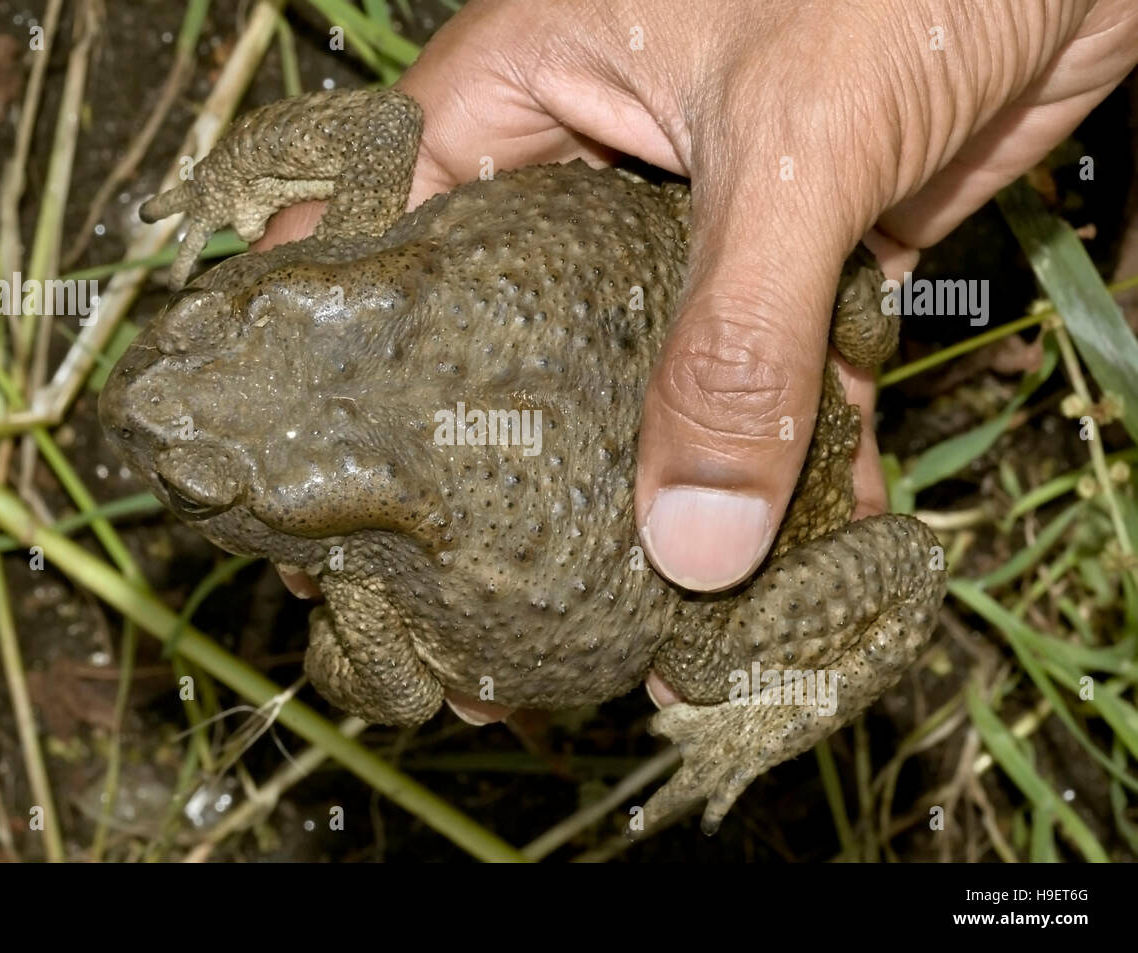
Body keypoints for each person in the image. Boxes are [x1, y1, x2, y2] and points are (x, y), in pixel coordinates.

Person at [261, 0, 1138, 723]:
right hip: (728, 267)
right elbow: (386, 129)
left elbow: (404, 694)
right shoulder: (349, 278)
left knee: (701, 660)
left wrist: (333, 658)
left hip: (738, 555)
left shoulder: (349, 550)